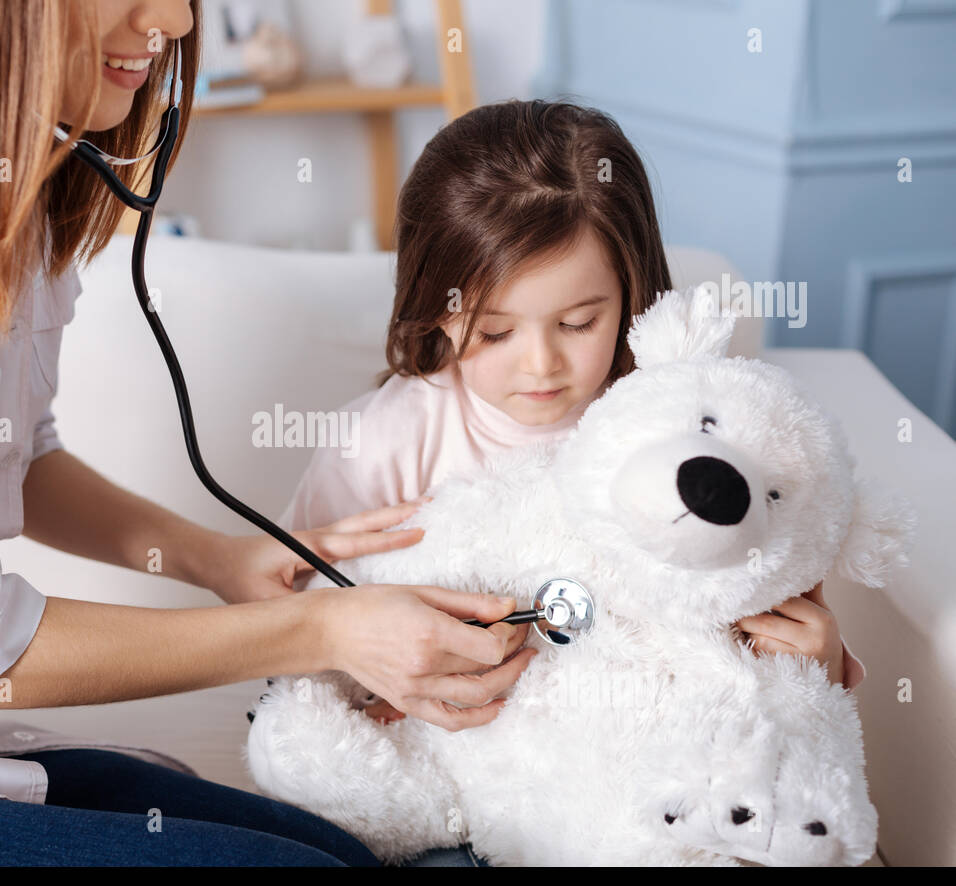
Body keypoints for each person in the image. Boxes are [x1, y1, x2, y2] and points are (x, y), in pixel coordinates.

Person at [0, 0, 533, 867]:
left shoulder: (11, 178)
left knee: (332, 851)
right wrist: (331, 631)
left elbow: (16, 459)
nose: (178, 23)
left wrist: (219, 562)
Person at [280, 99, 865, 731]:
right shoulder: (384, 442)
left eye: (577, 323)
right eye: (495, 331)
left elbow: (765, 618)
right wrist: (369, 691)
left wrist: (820, 666)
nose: (540, 365)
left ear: (631, 292)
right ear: (433, 306)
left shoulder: (685, 427)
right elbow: (294, 619)